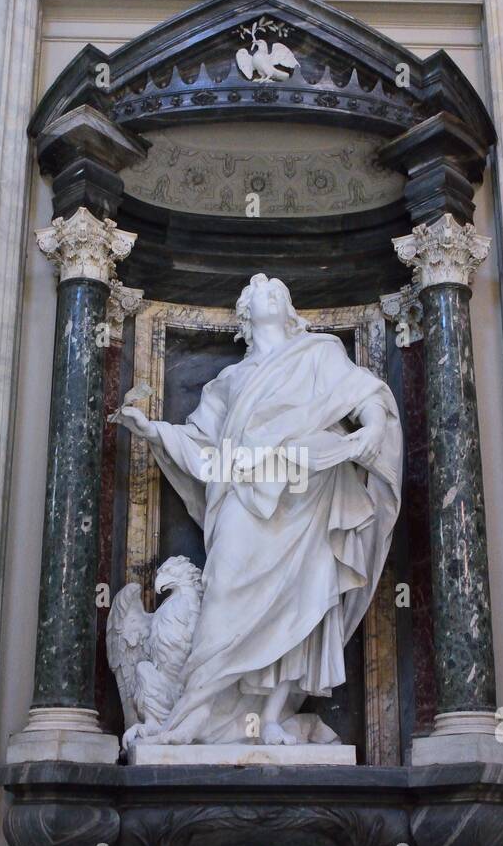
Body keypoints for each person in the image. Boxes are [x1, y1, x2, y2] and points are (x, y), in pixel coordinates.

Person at [118, 274, 402, 747]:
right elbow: (203, 446)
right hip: (244, 492)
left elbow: (366, 395)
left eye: (276, 289)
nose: (267, 288)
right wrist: (153, 431)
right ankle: (191, 715)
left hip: (309, 489)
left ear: (290, 309)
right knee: (224, 594)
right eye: (258, 291)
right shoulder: (230, 381)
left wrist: (371, 429)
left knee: (300, 605)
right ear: (245, 316)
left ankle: (271, 719)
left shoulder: (319, 354)